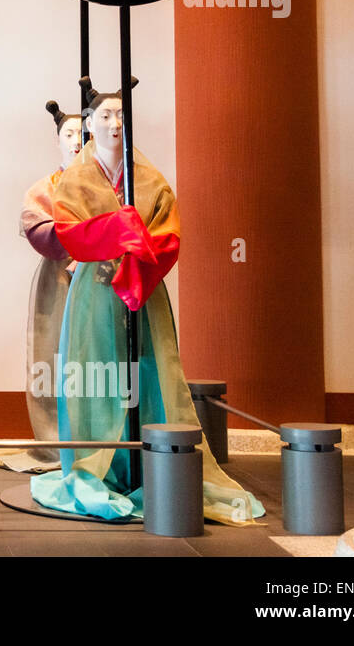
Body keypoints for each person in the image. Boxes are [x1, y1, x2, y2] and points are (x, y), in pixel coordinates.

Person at [29, 77, 265, 525]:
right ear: (90, 124)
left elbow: (168, 234)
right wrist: (120, 231)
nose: (114, 123)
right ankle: (96, 465)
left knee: (151, 373)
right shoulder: (76, 178)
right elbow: (69, 231)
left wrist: (138, 258)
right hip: (95, 291)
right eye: (104, 116)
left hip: (144, 289)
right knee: (95, 375)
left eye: (121, 115)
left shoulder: (149, 177)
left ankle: (148, 463)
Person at [0, 100, 82, 474]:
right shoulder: (44, 188)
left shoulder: (111, 184)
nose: (77, 141)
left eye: (83, 134)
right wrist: (89, 236)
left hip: (102, 277)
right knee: (51, 355)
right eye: (69, 134)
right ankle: (54, 442)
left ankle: (103, 443)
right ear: (57, 140)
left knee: (100, 360)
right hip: (58, 278)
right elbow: (37, 227)